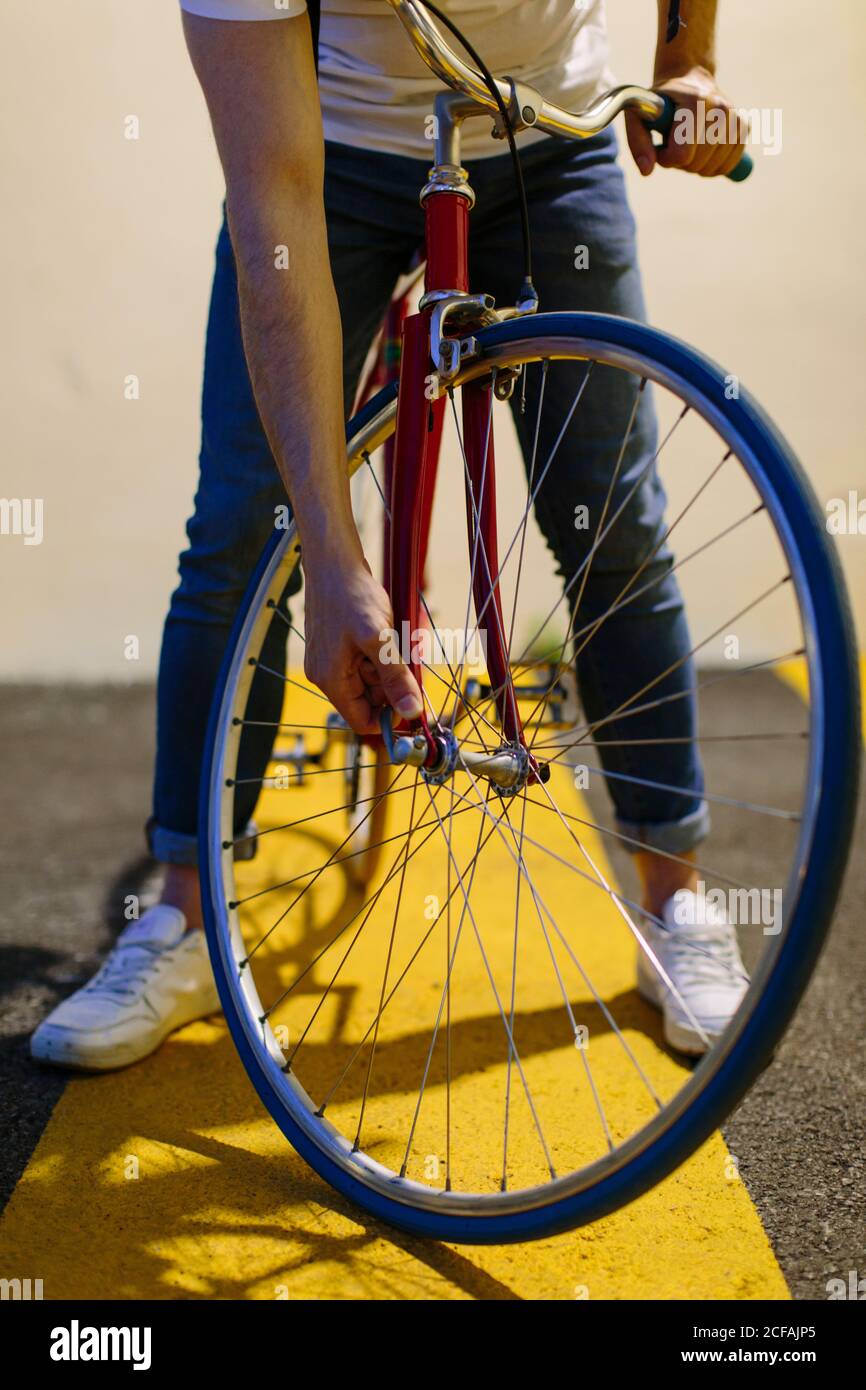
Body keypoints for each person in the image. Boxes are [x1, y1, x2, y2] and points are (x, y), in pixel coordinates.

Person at [31, 0, 749, 1071]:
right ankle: (182, 912)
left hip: (548, 137)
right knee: (241, 528)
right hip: (330, 153)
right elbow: (272, 197)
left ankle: (673, 898)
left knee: (611, 526)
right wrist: (329, 554)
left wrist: (686, 62)